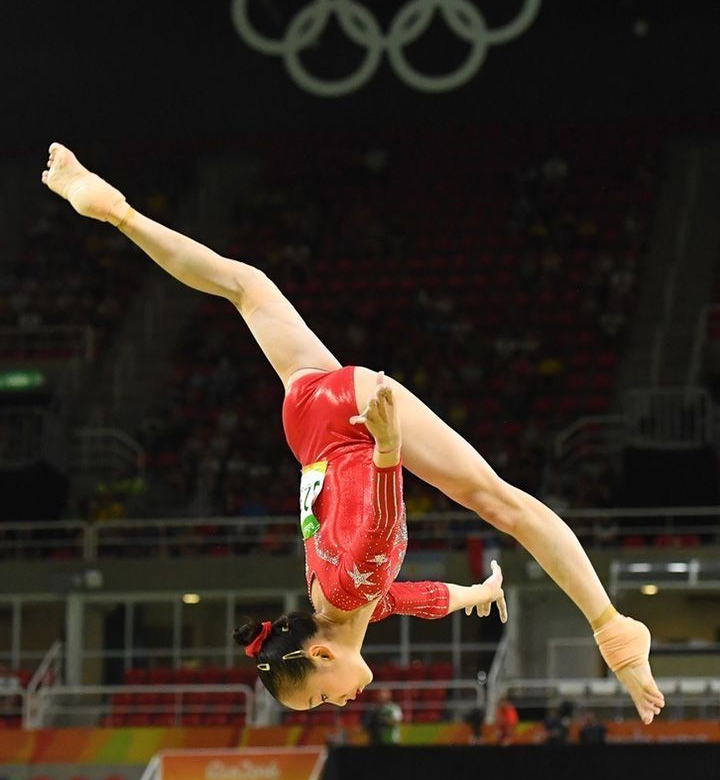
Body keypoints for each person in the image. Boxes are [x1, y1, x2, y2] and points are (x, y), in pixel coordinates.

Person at [41, 142, 665, 723]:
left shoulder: (353, 585)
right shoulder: (337, 602)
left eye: (320, 697)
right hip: (307, 425)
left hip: (354, 423)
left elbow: (379, 527)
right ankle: (117, 211)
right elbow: (412, 598)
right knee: (245, 287)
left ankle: (612, 628)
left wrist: (388, 448)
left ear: (320, 654)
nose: (337, 703)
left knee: (500, 503)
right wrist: (472, 593)